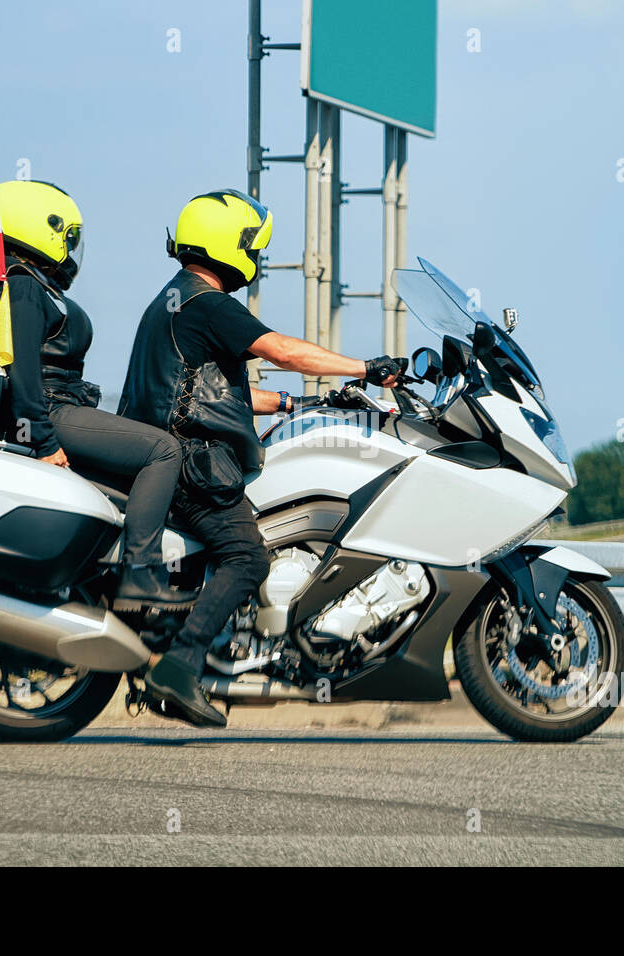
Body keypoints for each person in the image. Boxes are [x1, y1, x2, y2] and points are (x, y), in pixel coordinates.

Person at [118, 188, 405, 727]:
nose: (258, 257)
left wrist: (295, 403)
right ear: (231, 245)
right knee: (248, 558)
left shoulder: (173, 298)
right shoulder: (209, 303)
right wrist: (367, 368)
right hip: (190, 465)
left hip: (166, 452)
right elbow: (284, 352)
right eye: (253, 245)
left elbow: (207, 389)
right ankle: (180, 667)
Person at [0, 179, 188, 609]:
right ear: (42, 228)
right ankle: (140, 574)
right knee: (164, 451)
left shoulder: (30, 283)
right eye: (69, 237)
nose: (72, 248)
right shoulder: (24, 285)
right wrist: (42, 442)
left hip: (58, 408)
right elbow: (23, 369)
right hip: (51, 410)